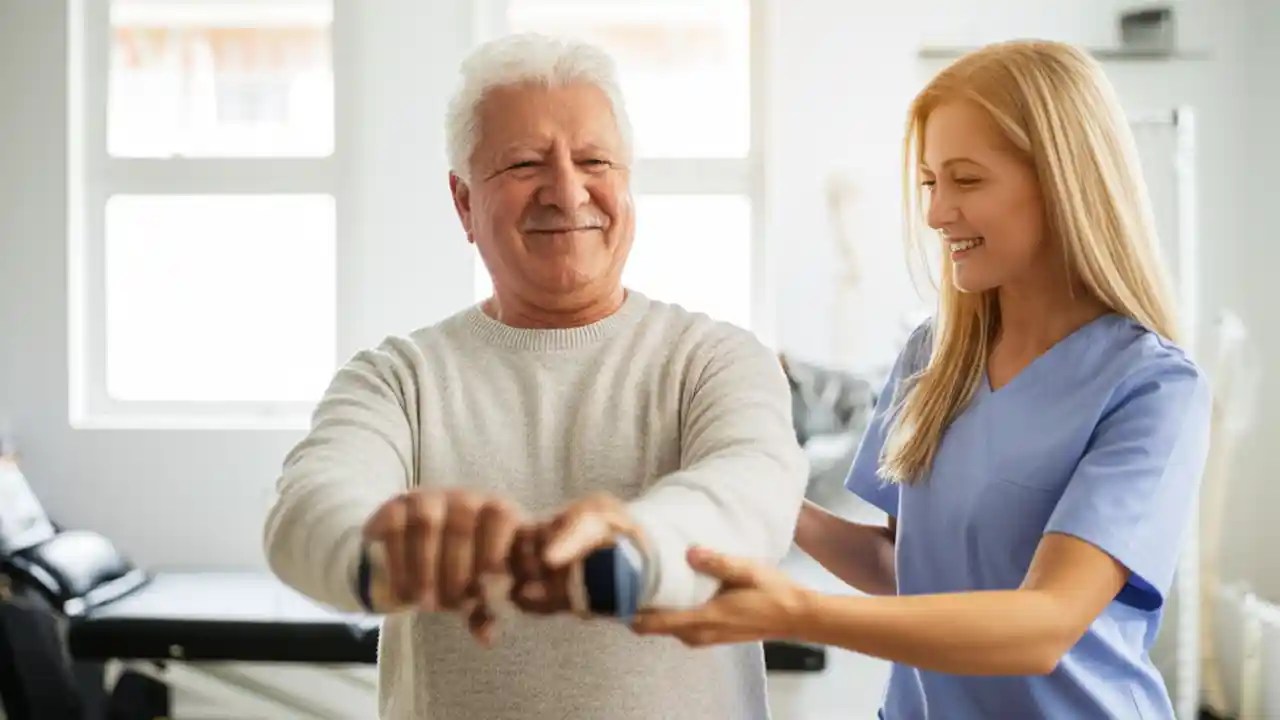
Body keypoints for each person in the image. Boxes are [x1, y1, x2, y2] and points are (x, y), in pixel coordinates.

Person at [633, 39, 1212, 720]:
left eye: (966, 180)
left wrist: (796, 611)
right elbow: (901, 567)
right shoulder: (932, 355)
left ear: (1061, 180)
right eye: (931, 183)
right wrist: (758, 485)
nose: (937, 214)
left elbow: (1046, 623)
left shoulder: (1151, 389)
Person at [261, 32, 808, 720]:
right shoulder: (397, 379)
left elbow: (751, 495)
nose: (566, 189)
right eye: (524, 164)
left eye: (594, 160)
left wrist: (624, 550)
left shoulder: (717, 359)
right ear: (463, 203)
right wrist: (392, 546)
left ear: (626, 186)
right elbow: (306, 512)